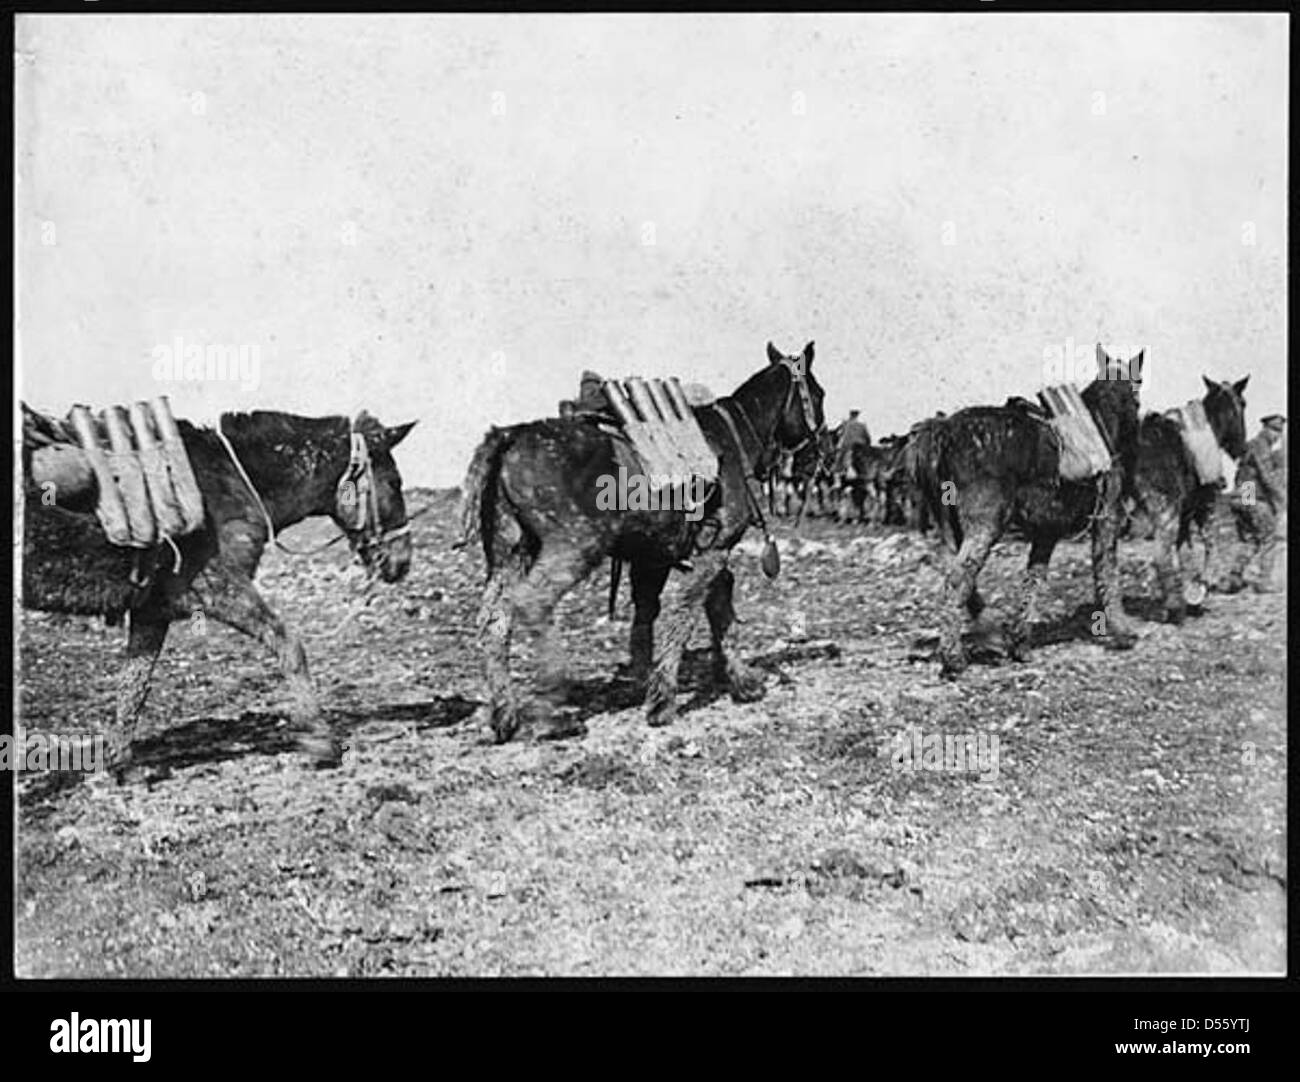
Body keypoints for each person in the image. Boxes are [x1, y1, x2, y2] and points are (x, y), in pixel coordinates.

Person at [1227, 414, 1286, 593]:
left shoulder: (1252, 446)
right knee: (1270, 538)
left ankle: (1234, 578)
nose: (1277, 435)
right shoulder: (1260, 445)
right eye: (1274, 430)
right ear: (1265, 429)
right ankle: (1264, 581)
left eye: (1280, 432)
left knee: (1249, 539)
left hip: (1241, 493)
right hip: (1250, 494)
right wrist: (1282, 498)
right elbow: (1266, 476)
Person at [834, 409, 871, 475]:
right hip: (860, 448)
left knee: (838, 462)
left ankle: (837, 476)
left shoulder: (845, 423)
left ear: (850, 414)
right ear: (857, 415)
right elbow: (868, 438)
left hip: (847, 447)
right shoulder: (862, 425)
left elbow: (838, 434)